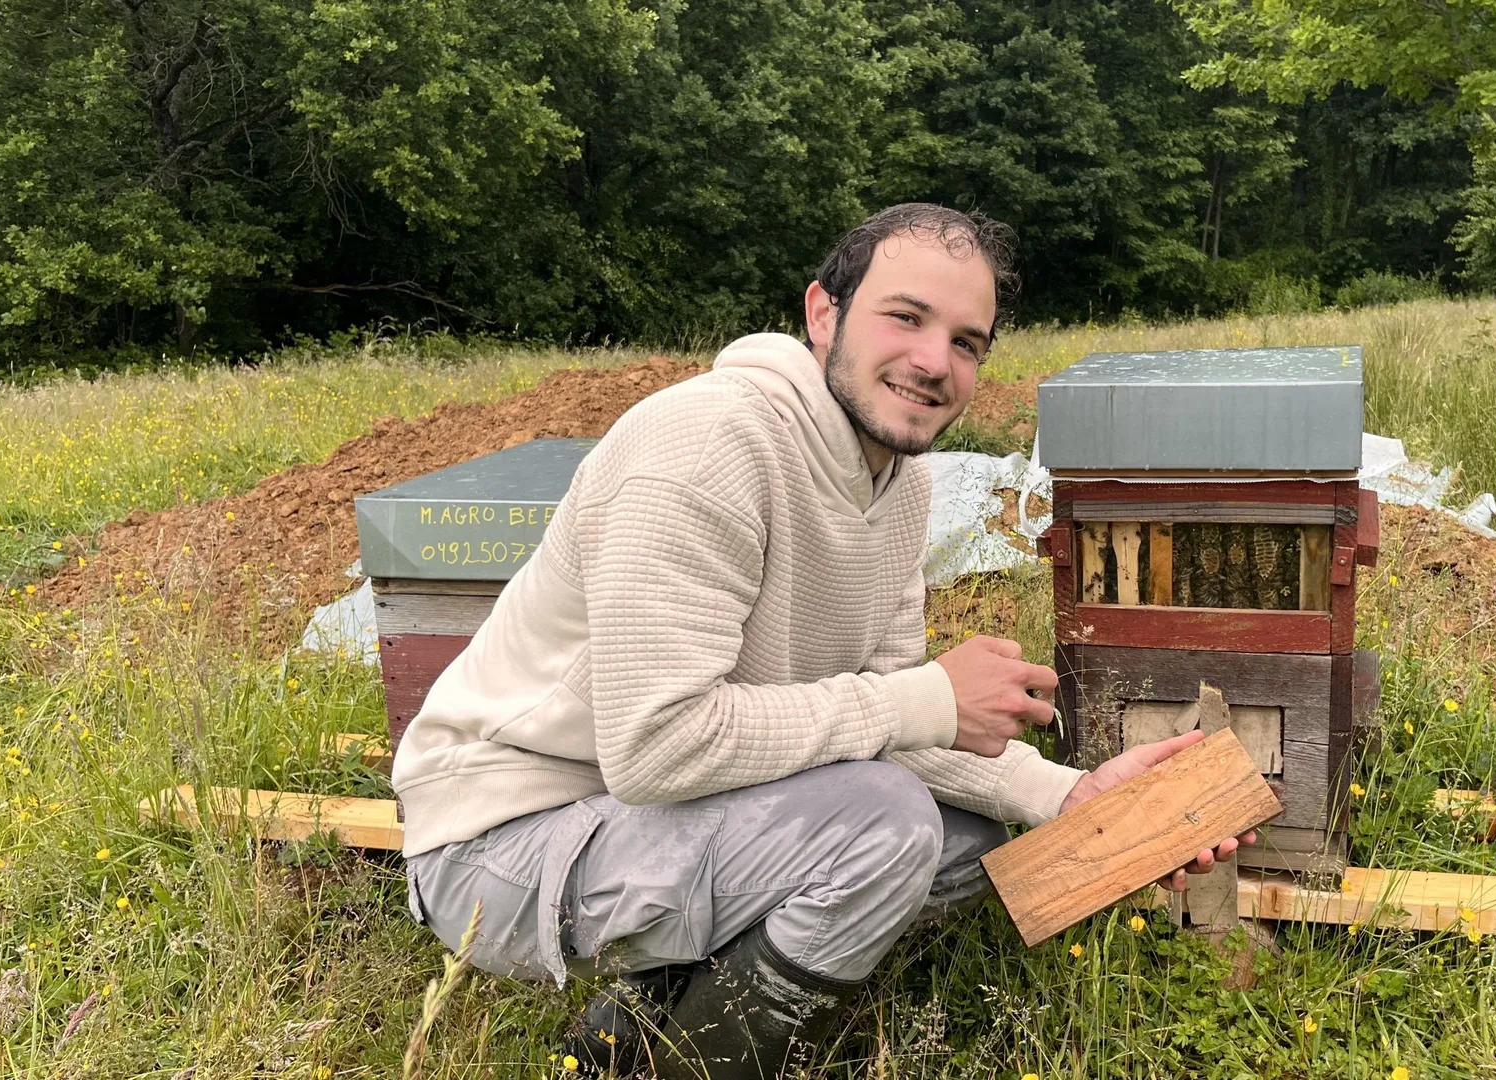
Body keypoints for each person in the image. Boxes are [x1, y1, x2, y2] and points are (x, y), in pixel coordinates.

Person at [390, 204, 1252, 1079]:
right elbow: (656, 748)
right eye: (906, 317)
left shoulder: (897, 482)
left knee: (981, 831)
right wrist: (925, 699)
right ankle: (690, 1068)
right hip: (501, 841)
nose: (934, 362)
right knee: (883, 823)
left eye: (967, 342)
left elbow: (886, 718)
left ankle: (624, 1040)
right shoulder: (704, 446)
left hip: (647, 821)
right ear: (823, 313)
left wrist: (1069, 794)